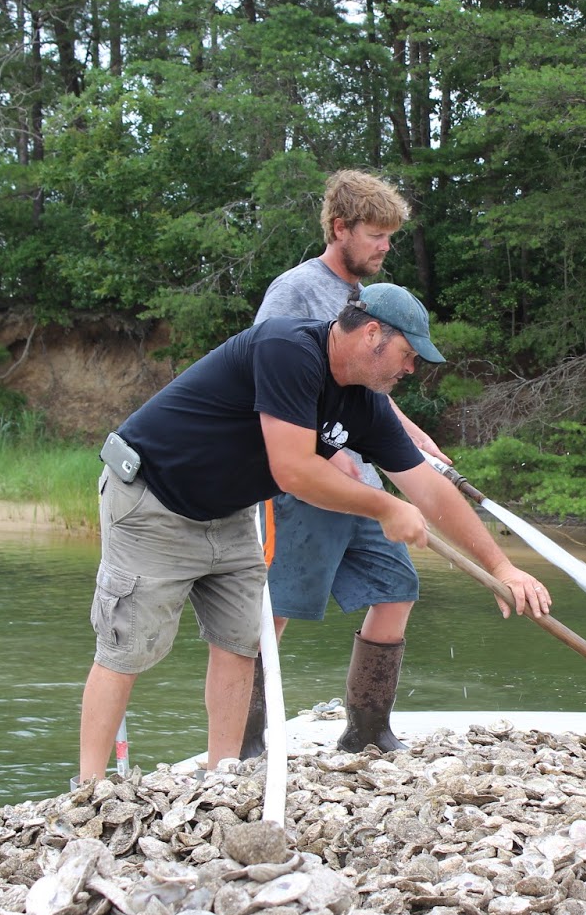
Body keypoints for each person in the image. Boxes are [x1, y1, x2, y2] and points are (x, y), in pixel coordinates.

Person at [76, 283, 551, 782]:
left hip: (230, 511)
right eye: (408, 355)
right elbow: (293, 471)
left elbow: (428, 489)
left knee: (241, 644)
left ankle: (221, 779)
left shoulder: (367, 406)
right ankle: (86, 792)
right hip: (153, 497)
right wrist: (385, 506)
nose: (410, 370)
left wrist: (502, 567)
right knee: (128, 646)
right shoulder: (288, 350)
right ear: (372, 335)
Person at [241, 170, 448, 756]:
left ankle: (367, 731)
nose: (386, 247)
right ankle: (249, 739)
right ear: (340, 229)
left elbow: (373, 395)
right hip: (300, 480)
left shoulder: (370, 300)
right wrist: (328, 460)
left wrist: (413, 439)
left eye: (390, 237)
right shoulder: (295, 292)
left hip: (363, 477)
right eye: (377, 235)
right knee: (275, 608)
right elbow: (271, 387)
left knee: (396, 586)